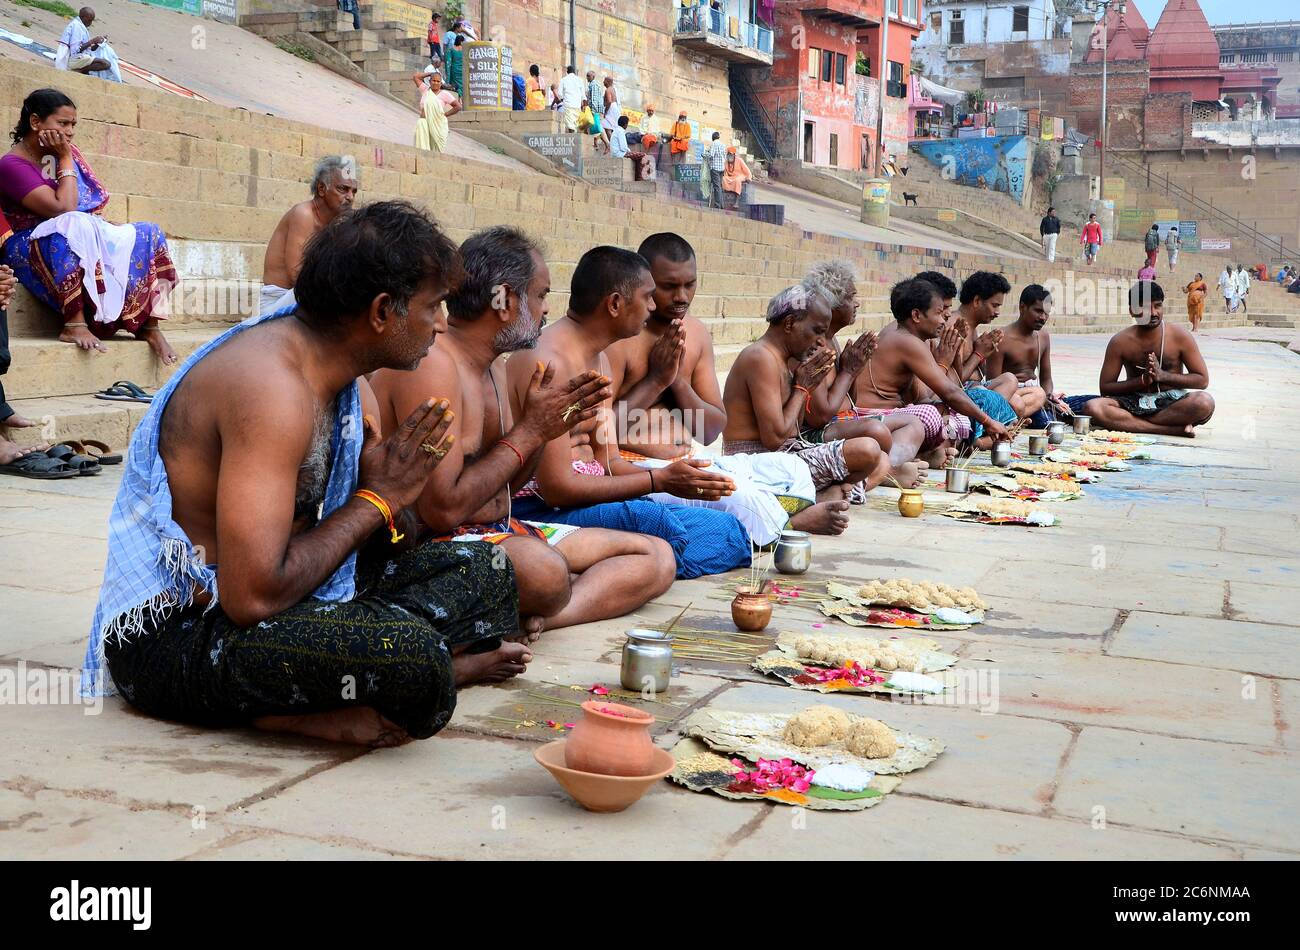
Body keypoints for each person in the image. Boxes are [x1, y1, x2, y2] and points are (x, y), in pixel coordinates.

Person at [85, 200, 543, 746]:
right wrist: (376, 499)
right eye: (433, 306)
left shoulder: (343, 379)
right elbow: (251, 597)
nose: (443, 323)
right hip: (182, 636)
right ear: (381, 313)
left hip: (288, 599)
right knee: (411, 657)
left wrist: (391, 508)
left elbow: (350, 546)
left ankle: (380, 676)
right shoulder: (271, 388)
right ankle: (323, 698)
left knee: (489, 569)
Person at [371, 226, 676, 630]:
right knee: (544, 572)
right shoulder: (436, 364)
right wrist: (531, 431)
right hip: (429, 547)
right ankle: (537, 599)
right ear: (506, 300)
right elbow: (443, 511)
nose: (547, 309)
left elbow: (504, 490)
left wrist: (546, 428)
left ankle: (544, 617)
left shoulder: (495, 367)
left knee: (656, 556)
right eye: (541, 295)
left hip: (501, 530)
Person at [505, 246, 752, 579]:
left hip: (589, 504)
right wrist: (657, 481)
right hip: (540, 511)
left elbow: (608, 462)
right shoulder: (550, 361)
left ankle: (622, 562)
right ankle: (628, 562)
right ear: (616, 304)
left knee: (730, 531)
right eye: (648, 296)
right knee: (659, 524)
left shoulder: (600, 358)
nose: (653, 306)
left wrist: (677, 477)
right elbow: (557, 488)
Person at [604, 233, 847, 538]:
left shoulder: (696, 333)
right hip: (639, 469)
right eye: (668, 287)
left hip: (690, 460)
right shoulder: (621, 339)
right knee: (740, 497)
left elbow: (710, 431)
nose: (682, 296)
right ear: (645, 280)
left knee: (791, 469)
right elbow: (602, 432)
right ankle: (791, 522)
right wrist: (655, 380)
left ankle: (774, 510)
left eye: (689, 284)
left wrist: (677, 382)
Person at [0, 88, 176, 363]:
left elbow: (87, 207)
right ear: (35, 122)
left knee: (147, 232)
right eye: (62, 123)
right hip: (27, 246)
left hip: (73, 230)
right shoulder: (12, 165)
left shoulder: (59, 154)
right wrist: (66, 158)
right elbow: (64, 209)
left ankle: (148, 324)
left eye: (73, 125)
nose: (69, 132)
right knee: (69, 227)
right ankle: (74, 323)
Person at [721, 285, 889, 502]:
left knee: (882, 460)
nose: (821, 341)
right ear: (790, 324)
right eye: (817, 331)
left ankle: (816, 495)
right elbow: (774, 439)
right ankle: (812, 498)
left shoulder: (783, 358)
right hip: (755, 464)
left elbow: (793, 429)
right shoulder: (760, 357)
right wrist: (801, 389)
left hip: (785, 458)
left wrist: (811, 383)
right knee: (867, 449)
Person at [797, 260, 928, 488]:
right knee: (875, 431)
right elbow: (818, 418)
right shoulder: (814, 346)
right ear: (831, 305)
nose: (856, 303)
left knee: (914, 424)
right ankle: (886, 471)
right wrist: (847, 372)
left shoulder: (832, 340)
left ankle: (886, 468)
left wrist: (853, 370)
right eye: (850, 297)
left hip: (844, 422)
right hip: (815, 434)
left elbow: (851, 401)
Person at [853, 278, 1010, 467]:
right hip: (870, 416)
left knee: (950, 415)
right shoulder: (907, 341)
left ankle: (925, 454)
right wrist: (988, 421)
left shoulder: (913, 339)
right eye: (939, 313)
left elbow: (933, 393)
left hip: (894, 414)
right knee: (930, 415)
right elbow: (950, 392)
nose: (944, 319)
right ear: (917, 316)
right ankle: (888, 469)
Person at [1066, 281, 1214, 438]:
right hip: (1133, 401)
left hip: (1172, 402)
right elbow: (1105, 388)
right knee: (1093, 407)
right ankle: (1169, 429)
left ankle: (1134, 423)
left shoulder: (1180, 336)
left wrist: (1163, 376)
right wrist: (1142, 381)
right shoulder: (1120, 341)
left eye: (1157, 306)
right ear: (1132, 311)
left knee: (1204, 403)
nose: (1153, 313)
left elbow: (1202, 380)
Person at [261, 156, 359, 317]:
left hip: (306, 298)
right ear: (321, 189)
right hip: (278, 304)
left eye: (353, 191)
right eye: (343, 189)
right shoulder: (303, 214)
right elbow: (297, 278)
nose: (350, 197)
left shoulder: (339, 221)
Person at [985, 284, 1072, 429]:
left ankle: (1014, 420)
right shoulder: (1001, 337)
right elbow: (993, 385)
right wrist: (1039, 396)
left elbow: (1046, 378)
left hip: (1034, 397)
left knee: (1059, 413)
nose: (1043, 317)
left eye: (1047, 313)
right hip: (1009, 396)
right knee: (1038, 400)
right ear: (1022, 307)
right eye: (1038, 311)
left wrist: (1050, 397)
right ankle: (1011, 420)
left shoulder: (1043, 336)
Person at [54, 7, 122, 83]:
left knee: (104, 59)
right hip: (71, 59)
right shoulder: (76, 27)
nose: (90, 23)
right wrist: (92, 41)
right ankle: (79, 70)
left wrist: (97, 43)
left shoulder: (81, 26)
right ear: (83, 17)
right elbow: (76, 51)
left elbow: (88, 50)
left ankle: (82, 69)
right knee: (106, 64)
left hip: (79, 57)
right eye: (89, 20)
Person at [412, 68, 462, 155]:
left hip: (437, 124)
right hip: (423, 123)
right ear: (430, 81)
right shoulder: (425, 90)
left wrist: (445, 115)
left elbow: (458, 106)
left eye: (438, 81)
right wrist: (432, 73)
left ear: (441, 83)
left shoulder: (445, 94)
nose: (435, 82)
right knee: (422, 148)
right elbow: (416, 77)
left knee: (435, 150)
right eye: (433, 80)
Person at [559, 65, 585, 132]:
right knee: (575, 125)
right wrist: (584, 105)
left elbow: (560, 94)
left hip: (568, 105)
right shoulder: (580, 80)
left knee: (570, 125)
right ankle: (574, 139)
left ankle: (572, 140)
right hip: (577, 105)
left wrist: (562, 99)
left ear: (567, 71)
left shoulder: (563, 80)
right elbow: (583, 95)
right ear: (574, 72)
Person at [705, 132, 727, 210]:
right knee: (719, 187)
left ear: (713, 138)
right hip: (722, 168)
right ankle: (722, 205)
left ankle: (718, 205)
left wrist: (704, 155)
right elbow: (725, 157)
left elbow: (711, 155)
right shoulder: (723, 145)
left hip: (715, 168)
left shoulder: (714, 144)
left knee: (717, 187)